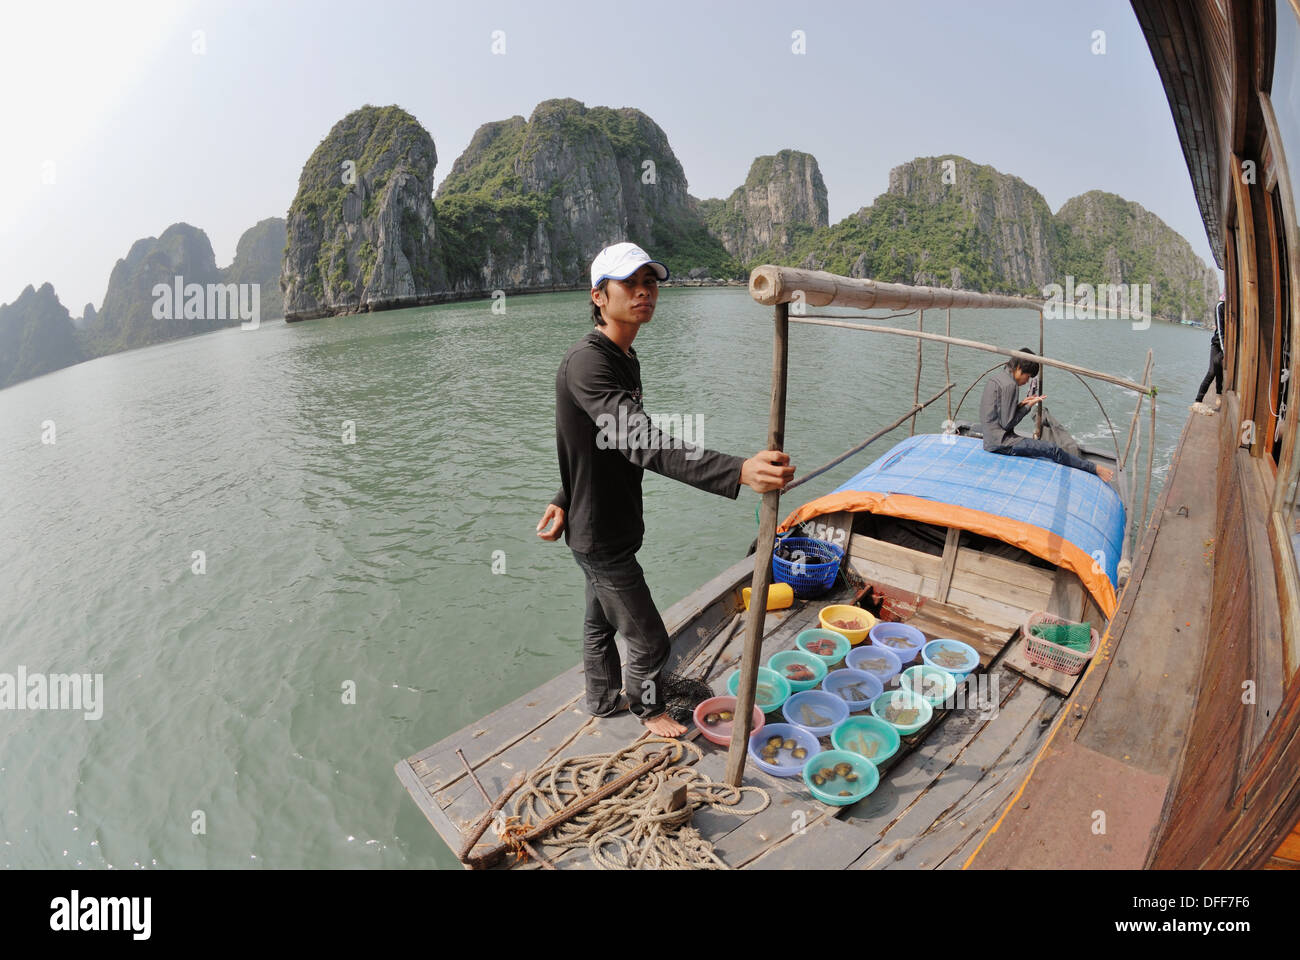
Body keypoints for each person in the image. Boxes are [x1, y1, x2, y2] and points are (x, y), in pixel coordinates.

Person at [536, 242, 795, 739]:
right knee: (650, 640)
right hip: (601, 538)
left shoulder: (622, 357)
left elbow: (594, 443)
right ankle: (645, 707)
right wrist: (737, 470)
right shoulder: (588, 364)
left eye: (650, 283)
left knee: (599, 623)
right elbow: (641, 440)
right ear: (598, 296)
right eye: (630, 285)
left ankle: (600, 697)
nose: (643, 293)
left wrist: (563, 496)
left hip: (604, 522)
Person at [980, 347, 1114, 482]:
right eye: (1028, 377)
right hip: (1001, 443)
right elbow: (1007, 423)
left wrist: (1020, 405)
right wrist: (1028, 407)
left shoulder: (996, 379)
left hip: (990, 440)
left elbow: (999, 414)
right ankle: (1094, 468)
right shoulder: (1010, 385)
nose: (1026, 382)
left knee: (1044, 447)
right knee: (1052, 449)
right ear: (1019, 368)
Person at [1193, 293, 1226, 411]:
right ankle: (1198, 400)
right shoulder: (1220, 306)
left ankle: (1219, 393)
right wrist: (1224, 350)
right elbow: (1221, 330)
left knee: (1218, 362)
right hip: (1218, 343)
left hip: (1227, 345)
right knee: (1212, 370)